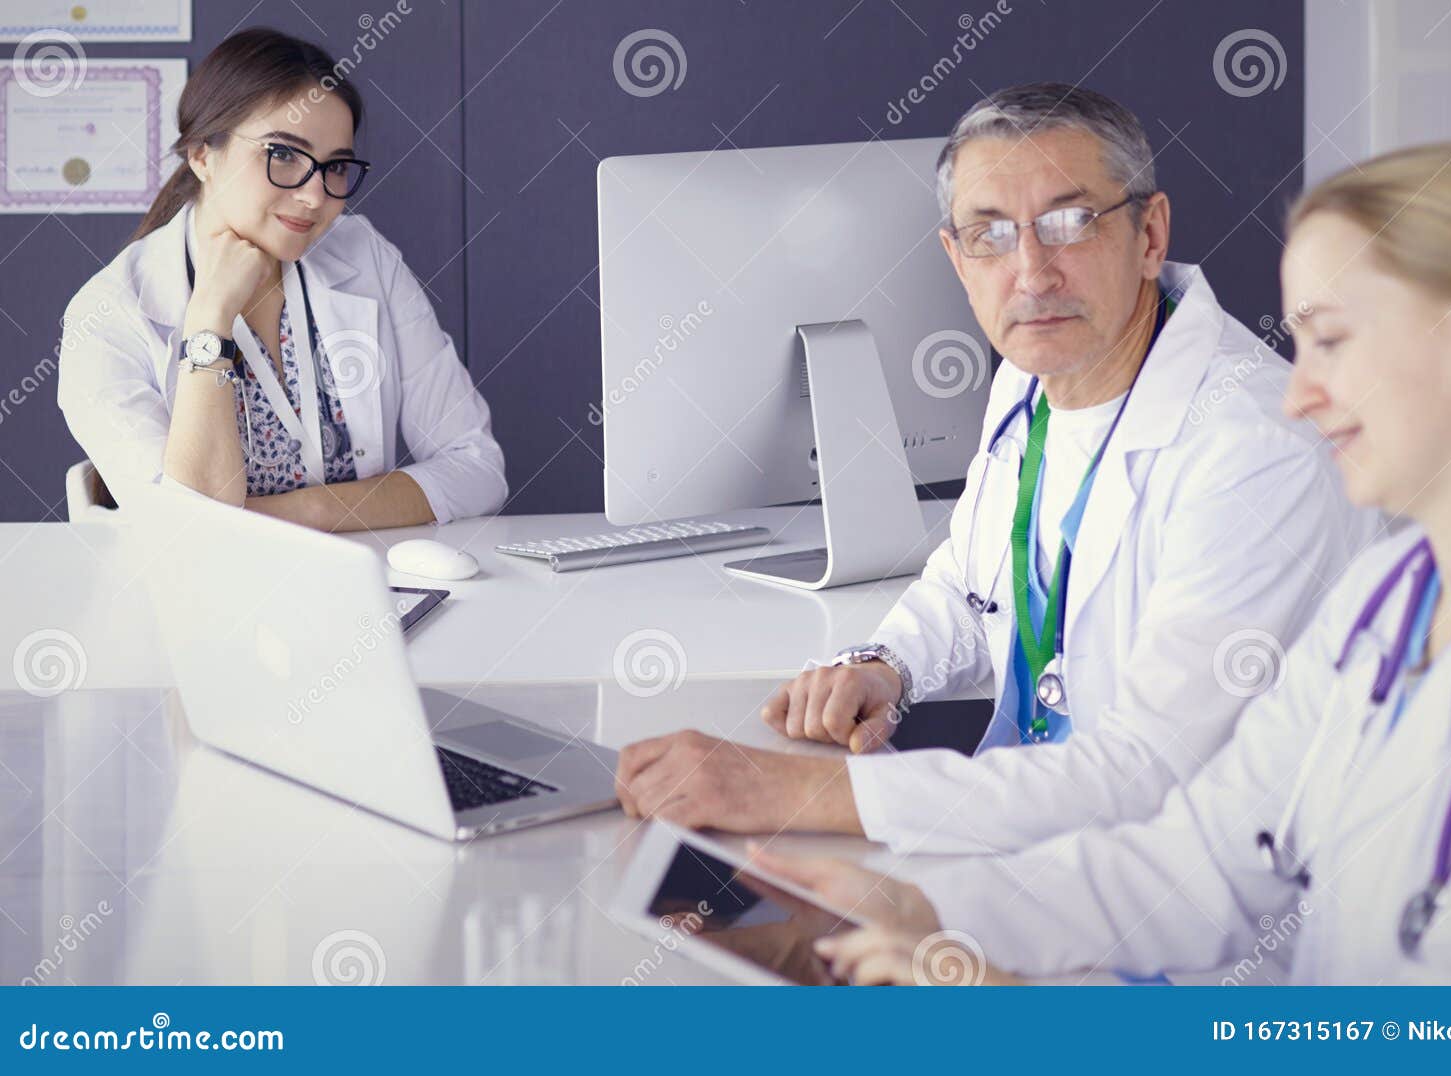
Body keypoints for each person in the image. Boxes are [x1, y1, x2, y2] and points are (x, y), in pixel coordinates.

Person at [755, 142, 1451, 985]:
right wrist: (937, 914)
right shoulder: (1387, 598)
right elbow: (1204, 857)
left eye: (1333, 340)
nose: (1301, 393)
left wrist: (1018, 1004)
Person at [616, 83, 1374, 853]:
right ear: (956, 256)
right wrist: (888, 667)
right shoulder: (1035, 371)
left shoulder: (1256, 451)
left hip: (1189, 912)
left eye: (1071, 223)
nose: (1032, 273)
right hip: (1031, 849)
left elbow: (1152, 774)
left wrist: (790, 790)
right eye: (991, 235)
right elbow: (973, 576)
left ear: (1150, 234)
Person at [58, 28, 506, 530]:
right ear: (202, 154)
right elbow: (184, 533)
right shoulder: (105, 316)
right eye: (283, 154)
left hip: (358, 591)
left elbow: (476, 465)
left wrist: (310, 512)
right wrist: (209, 317)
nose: (316, 197)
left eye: (335, 165)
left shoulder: (365, 256)